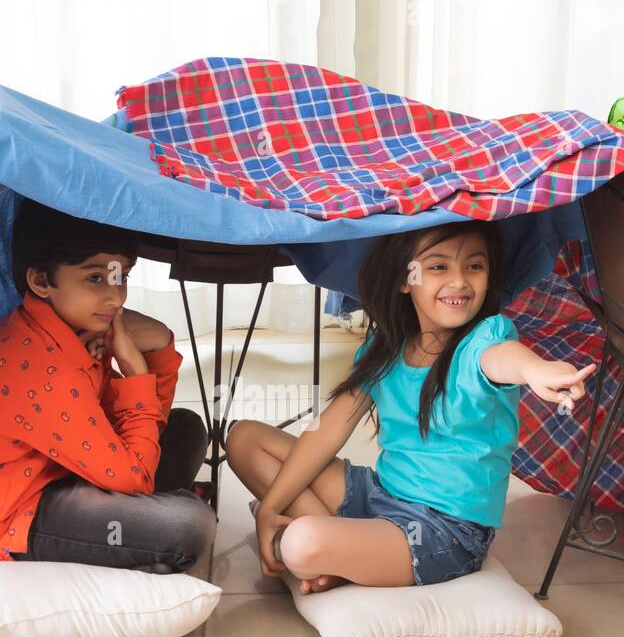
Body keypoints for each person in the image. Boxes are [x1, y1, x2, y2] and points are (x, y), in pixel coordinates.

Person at [226, 219, 595, 593]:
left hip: (443, 532)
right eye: (438, 267)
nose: (459, 282)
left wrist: (538, 370)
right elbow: (329, 430)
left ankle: (339, 553)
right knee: (243, 438)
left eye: (475, 266)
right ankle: (348, 553)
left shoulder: (485, 339)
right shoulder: (387, 348)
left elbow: (504, 359)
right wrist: (271, 508)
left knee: (299, 543)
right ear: (406, 279)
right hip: (381, 496)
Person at [0, 199, 215, 574]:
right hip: (7, 517)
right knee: (188, 525)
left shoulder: (71, 328)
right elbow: (135, 477)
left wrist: (160, 343)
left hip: (57, 471)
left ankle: (136, 532)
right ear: (41, 280)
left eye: (121, 276)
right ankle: (143, 533)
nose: (116, 297)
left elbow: (128, 423)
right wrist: (135, 370)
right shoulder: (43, 368)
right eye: (95, 278)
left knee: (186, 428)